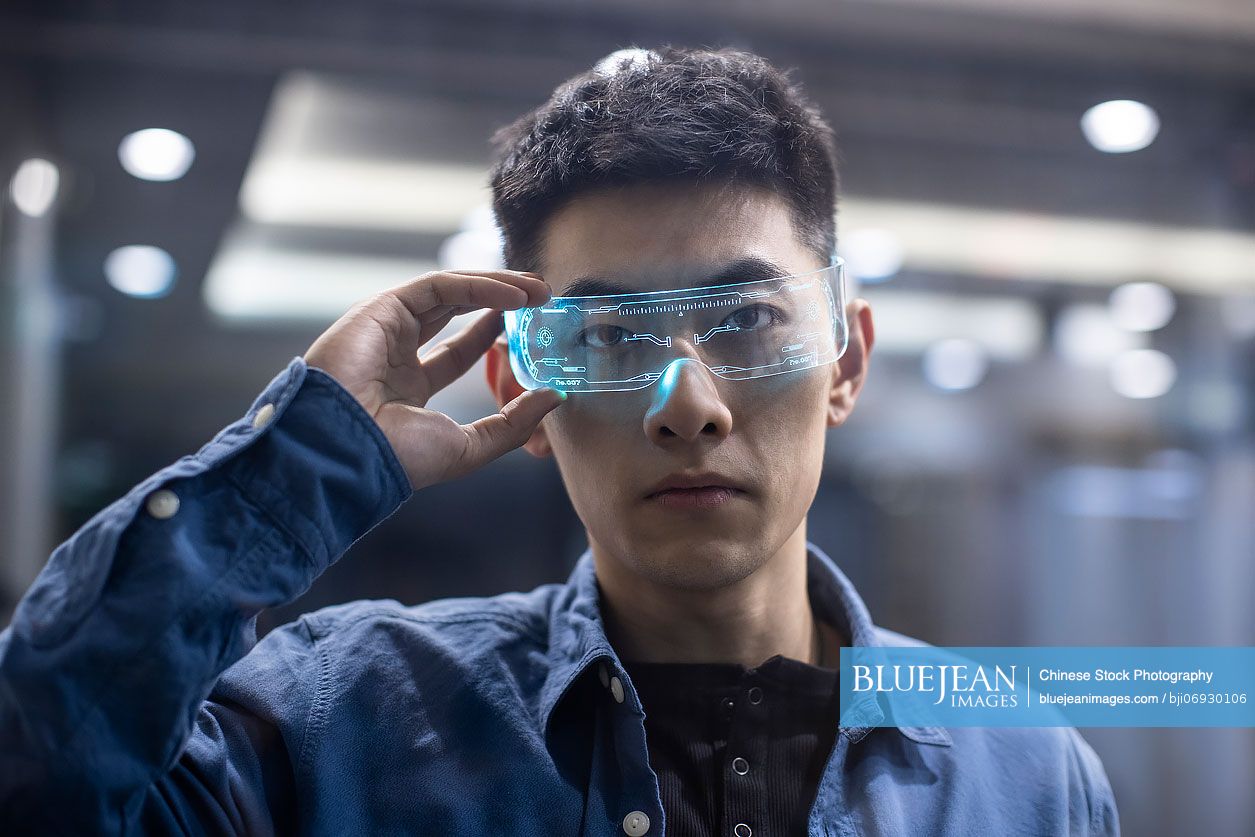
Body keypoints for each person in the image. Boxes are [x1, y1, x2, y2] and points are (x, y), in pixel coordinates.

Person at [0, 46, 1118, 835]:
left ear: (848, 363)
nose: (689, 406)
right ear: (519, 380)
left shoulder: (1022, 770)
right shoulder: (343, 725)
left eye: (745, 321)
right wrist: (303, 461)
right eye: (607, 337)